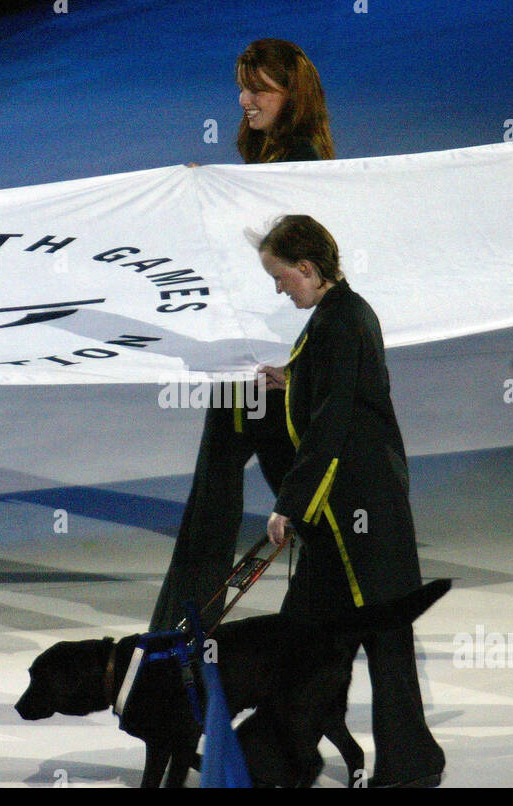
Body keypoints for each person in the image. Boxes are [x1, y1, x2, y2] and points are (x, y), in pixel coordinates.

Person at [149, 39, 334, 631]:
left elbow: (284, 252)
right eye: (242, 86)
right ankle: (341, 603)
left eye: (260, 90)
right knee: (280, 493)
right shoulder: (271, 154)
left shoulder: (297, 157)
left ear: (291, 97)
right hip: (263, 356)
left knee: (216, 500)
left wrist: (217, 201)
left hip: (260, 359)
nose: (245, 100)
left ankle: (185, 628)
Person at [258, 215, 445, 786]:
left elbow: (334, 421)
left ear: (309, 269)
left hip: (361, 511)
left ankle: (411, 767)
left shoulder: (340, 321)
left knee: (383, 641)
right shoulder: (342, 313)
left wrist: (289, 502)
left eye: (281, 277)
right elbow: (345, 388)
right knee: (304, 638)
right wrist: (297, 380)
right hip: (347, 518)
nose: (278, 288)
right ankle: (281, 756)